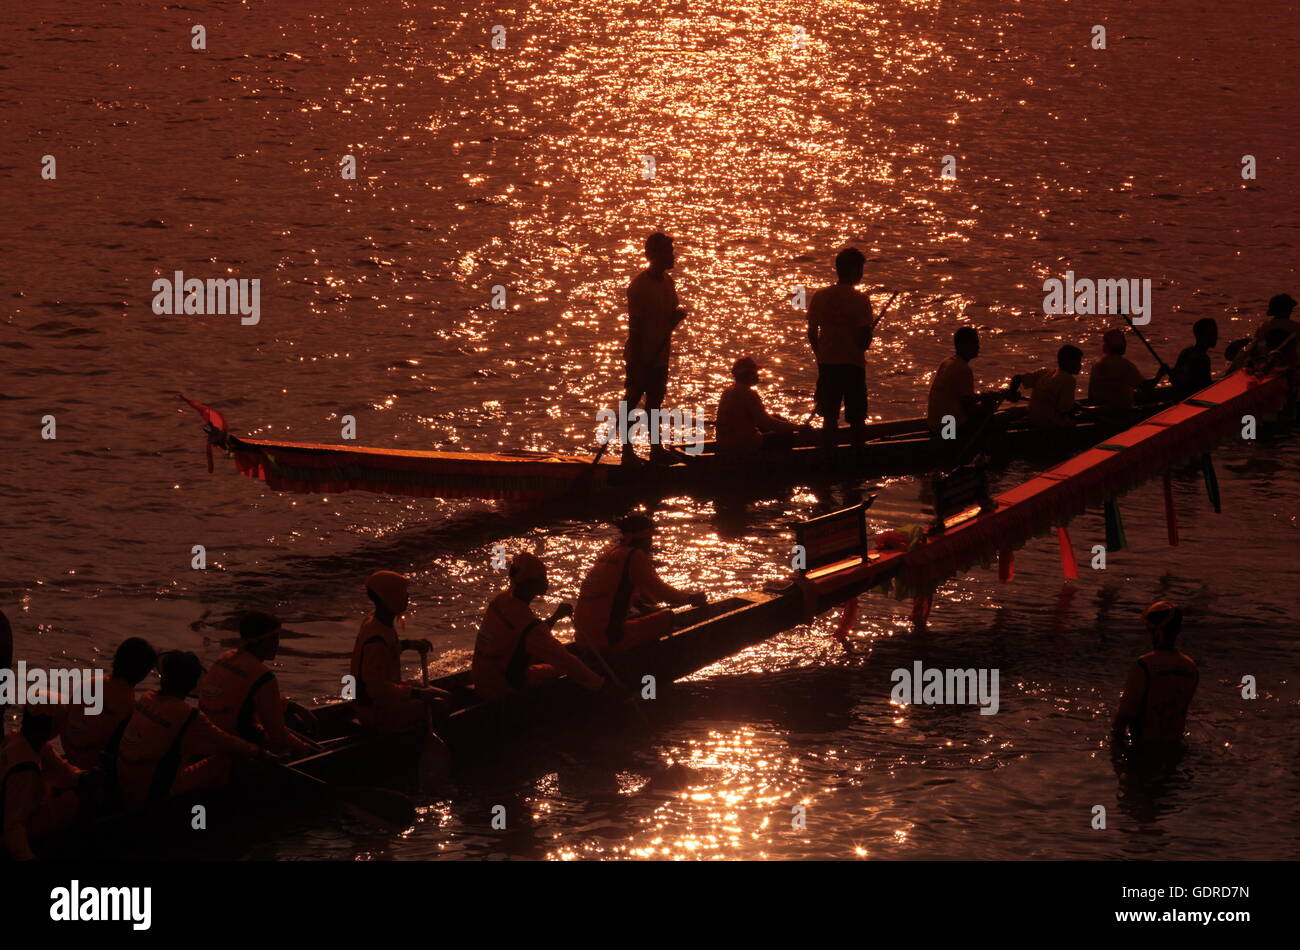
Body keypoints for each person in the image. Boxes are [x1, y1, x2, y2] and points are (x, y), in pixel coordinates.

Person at [115, 651, 261, 807]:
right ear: (192, 684)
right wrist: (258, 751)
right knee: (226, 759)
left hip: (122, 781)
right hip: (151, 795)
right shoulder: (188, 715)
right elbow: (229, 742)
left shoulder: (146, 697)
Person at [471, 553, 605, 701]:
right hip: (502, 689)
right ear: (531, 584)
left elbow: (526, 634)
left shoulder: (500, 601)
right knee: (562, 670)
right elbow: (566, 661)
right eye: (543, 578)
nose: (547, 581)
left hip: (481, 678)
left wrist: (554, 618)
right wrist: (601, 685)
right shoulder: (529, 625)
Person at [574, 515, 708, 654]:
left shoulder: (607, 555)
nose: (651, 544)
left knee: (643, 614)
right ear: (645, 539)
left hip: (582, 639)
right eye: (650, 539)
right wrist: (691, 598)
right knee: (667, 616)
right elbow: (663, 593)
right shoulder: (634, 555)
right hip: (606, 640)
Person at [199, 612, 312, 756]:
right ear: (260, 641)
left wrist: (290, 705)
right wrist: (307, 750)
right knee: (288, 748)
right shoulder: (264, 676)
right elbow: (278, 735)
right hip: (238, 747)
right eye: (275, 637)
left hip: (211, 736)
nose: (278, 643)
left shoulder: (225, 657)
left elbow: (241, 698)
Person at [349, 571, 448, 733]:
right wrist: (413, 693)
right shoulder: (376, 638)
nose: (407, 596)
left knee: (442, 695)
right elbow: (376, 688)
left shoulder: (377, 621)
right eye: (403, 593)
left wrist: (409, 644)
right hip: (375, 711)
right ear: (389, 598)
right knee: (439, 705)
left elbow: (388, 651)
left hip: (384, 700)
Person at [623, 232, 687, 464]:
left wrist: (676, 319)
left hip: (660, 356)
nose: (673, 256)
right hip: (641, 356)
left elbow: (667, 319)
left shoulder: (668, 283)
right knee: (631, 402)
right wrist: (640, 363)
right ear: (655, 255)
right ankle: (627, 451)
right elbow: (636, 328)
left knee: (654, 404)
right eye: (668, 252)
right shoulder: (639, 287)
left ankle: (655, 448)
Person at [52, 637, 155, 771]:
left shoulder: (89, 682)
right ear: (143, 673)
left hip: (69, 750)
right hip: (90, 768)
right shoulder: (129, 706)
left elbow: (66, 719)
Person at [808, 247, 874, 450]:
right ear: (854, 270)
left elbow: (812, 333)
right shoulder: (861, 300)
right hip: (852, 365)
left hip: (827, 364)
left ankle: (828, 455)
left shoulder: (820, 296)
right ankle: (857, 457)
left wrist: (821, 355)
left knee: (829, 416)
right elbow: (864, 342)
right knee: (856, 417)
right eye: (860, 269)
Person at [1111, 602, 1199, 749]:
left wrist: (1115, 754)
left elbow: (1124, 717)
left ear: (1154, 631)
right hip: (1175, 748)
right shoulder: (1191, 667)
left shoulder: (1144, 665)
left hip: (1142, 750)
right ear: (1178, 630)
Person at [2, 707, 83, 860]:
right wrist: (27, 856)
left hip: (20, 807)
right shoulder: (25, 769)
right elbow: (13, 826)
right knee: (71, 801)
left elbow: (63, 770)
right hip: (15, 825)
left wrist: (84, 776)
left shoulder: (18, 739)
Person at [715, 357, 801, 457]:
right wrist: (797, 427)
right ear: (749, 374)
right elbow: (767, 423)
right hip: (741, 446)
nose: (758, 375)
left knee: (776, 418)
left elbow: (760, 419)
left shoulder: (727, 391)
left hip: (724, 442)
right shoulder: (749, 394)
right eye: (755, 372)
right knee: (786, 436)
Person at [926, 326, 1002, 438]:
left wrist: (984, 396)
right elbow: (968, 405)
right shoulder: (963, 369)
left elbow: (962, 399)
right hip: (948, 428)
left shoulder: (947, 362)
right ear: (962, 345)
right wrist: (987, 403)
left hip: (935, 423)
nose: (978, 346)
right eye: (974, 343)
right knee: (993, 422)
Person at [1086, 328, 1163, 411]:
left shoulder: (1096, 365)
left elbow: (1090, 395)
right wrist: (1159, 375)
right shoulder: (1126, 365)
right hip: (1121, 412)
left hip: (1099, 412)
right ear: (1121, 345)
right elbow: (1145, 387)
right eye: (1124, 341)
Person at [1012, 345, 1083, 427]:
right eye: (1078, 362)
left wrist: (1012, 393)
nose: (1080, 365)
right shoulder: (1069, 380)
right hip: (1049, 423)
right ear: (1069, 362)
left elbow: (1017, 378)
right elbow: (1064, 409)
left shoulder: (1045, 372)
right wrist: (1074, 407)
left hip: (1032, 418)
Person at [1170, 318, 1218, 397]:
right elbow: (1206, 389)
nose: (1216, 336)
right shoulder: (1203, 359)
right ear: (1204, 336)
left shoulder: (1186, 352)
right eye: (1213, 333)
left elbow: (1175, 378)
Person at [1252, 293, 1299, 364]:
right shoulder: (1296, 327)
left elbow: (1255, 346)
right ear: (1289, 310)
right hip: (1291, 364)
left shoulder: (1263, 326)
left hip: (1266, 363)